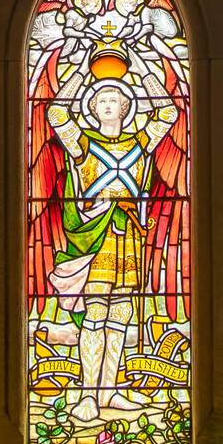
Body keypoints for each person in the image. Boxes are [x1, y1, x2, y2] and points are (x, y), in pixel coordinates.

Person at [47, 68, 178, 423]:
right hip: (96, 233)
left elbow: (168, 113)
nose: (107, 104)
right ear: (91, 106)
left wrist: (144, 69)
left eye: (114, 100)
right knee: (95, 312)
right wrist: (81, 75)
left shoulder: (140, 142)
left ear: (125, 107)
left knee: (120, 312)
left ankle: (110, 390)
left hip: (129, 232)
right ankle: (88, 395)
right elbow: (56, 114)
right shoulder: (84, 144)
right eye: (101, 100)